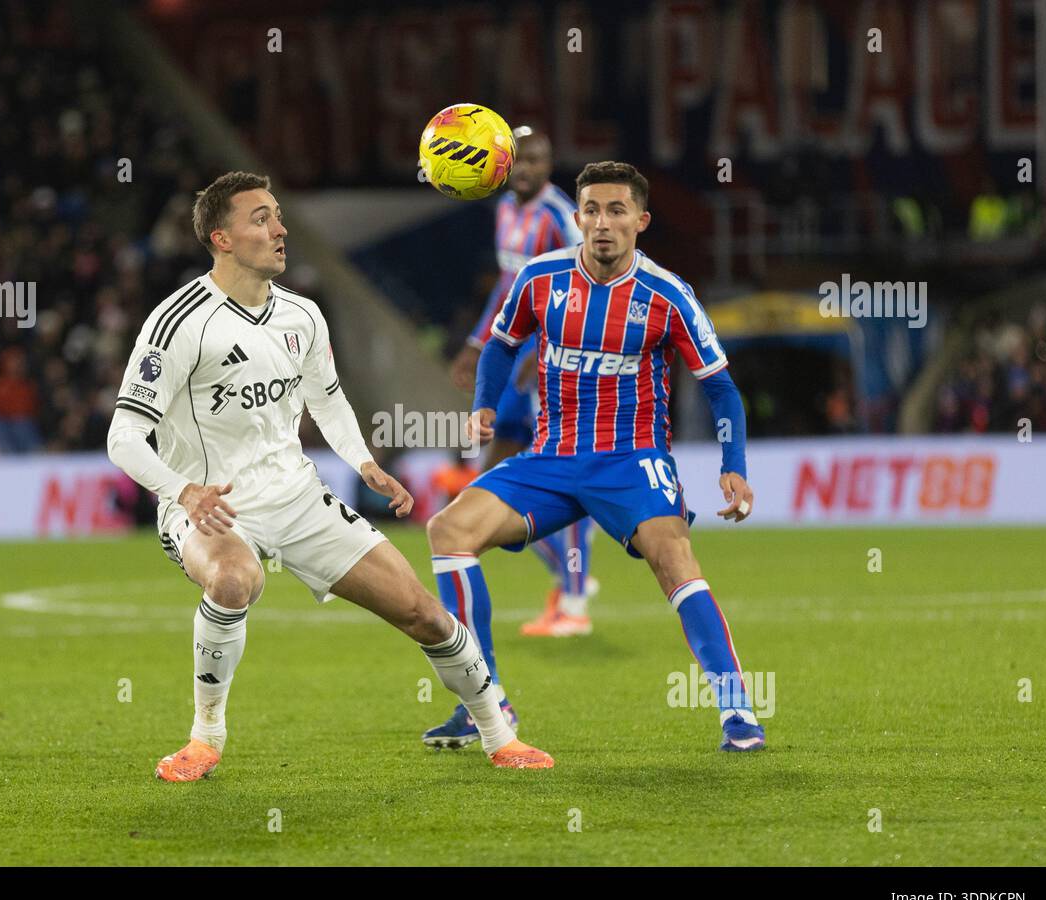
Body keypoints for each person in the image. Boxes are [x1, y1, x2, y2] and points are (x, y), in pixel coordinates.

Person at [106, 171, 554, 779]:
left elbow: (328, 399)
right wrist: (183, 491)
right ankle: (204, 737)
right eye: (260, 218)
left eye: (279, 215)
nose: (280, 228)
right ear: (222, 238)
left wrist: (365, 463)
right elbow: (124, 436)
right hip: (212, 503)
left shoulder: (303, 315)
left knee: (424, 613)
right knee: (234, 582)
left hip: (297, 496)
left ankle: (499, 734)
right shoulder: (180, 323)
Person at [427, 161, 765, 753]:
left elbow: (721, 388)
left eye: (616, 211)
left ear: (641, 220)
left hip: (630, 459)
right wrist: (485, 404)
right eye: (592, 211)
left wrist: (732, 464)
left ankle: (737, 712)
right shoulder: (540, 278)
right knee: (448, 531)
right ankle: (484, 699)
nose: (602, 223)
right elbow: (499, 347)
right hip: (551, 457)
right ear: (577, 216)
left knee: (673, 555)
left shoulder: (667, 295)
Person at [423, 127, 599, 749]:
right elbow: (507, 287)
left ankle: (574, 594)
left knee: (558, 473)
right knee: (489, 487)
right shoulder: (504, 210)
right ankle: (563, 582)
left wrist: (548, 349)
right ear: (502, 164)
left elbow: (588, 284)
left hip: (549, 364)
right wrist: (479, 341)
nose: (527, 166)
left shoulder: (558, 215)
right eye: (520, 157)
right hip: (510, 353)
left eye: (538, 158)